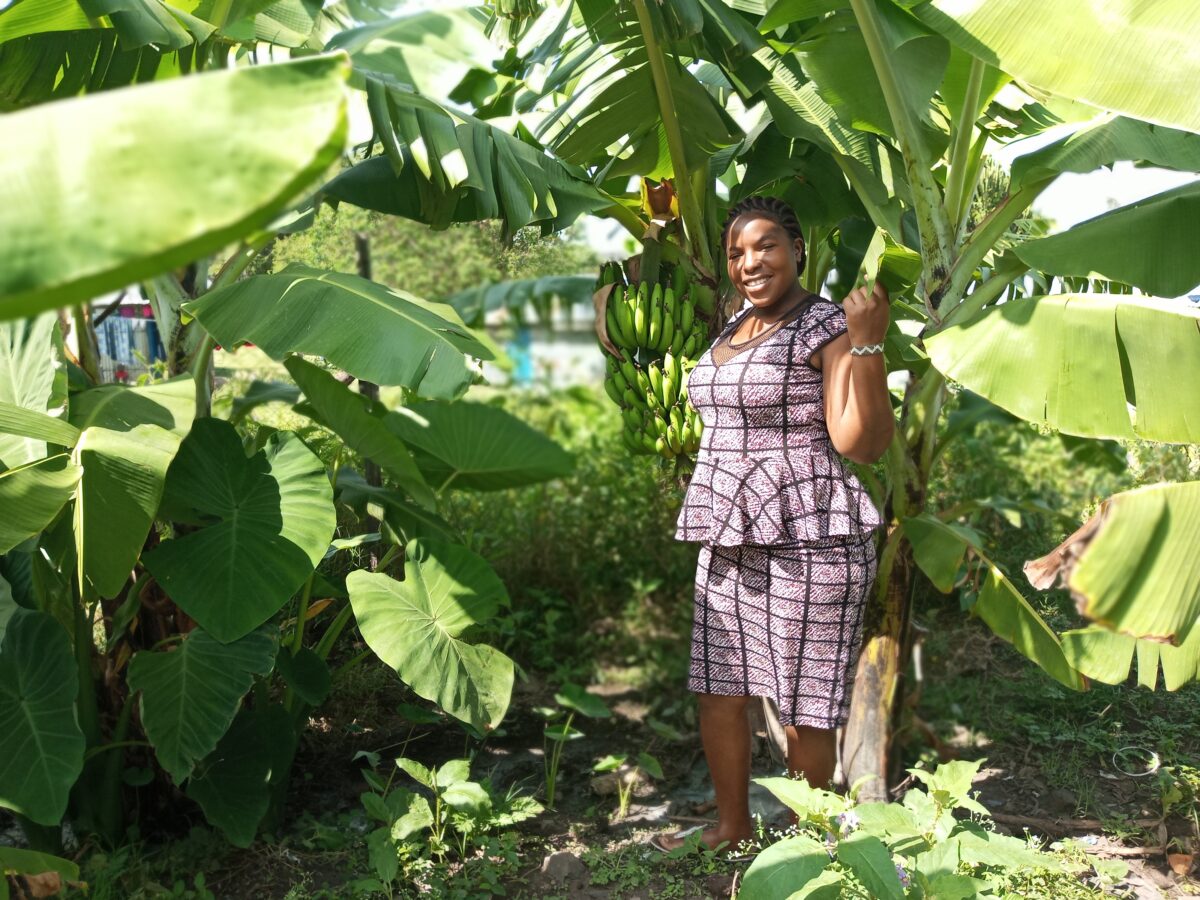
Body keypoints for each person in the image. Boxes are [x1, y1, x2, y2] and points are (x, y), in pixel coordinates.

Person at [641, 195, 894, 854]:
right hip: (728, 529)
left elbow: (860, 443)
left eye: (765, 246)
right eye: (736, 252)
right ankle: (732, 828)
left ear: (797, 248)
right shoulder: (733, 326)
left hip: (811, 532)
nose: (750, 261)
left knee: (803, 697)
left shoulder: (826, 326)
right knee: (718, 688)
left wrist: (867, 341)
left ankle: (806, 841)